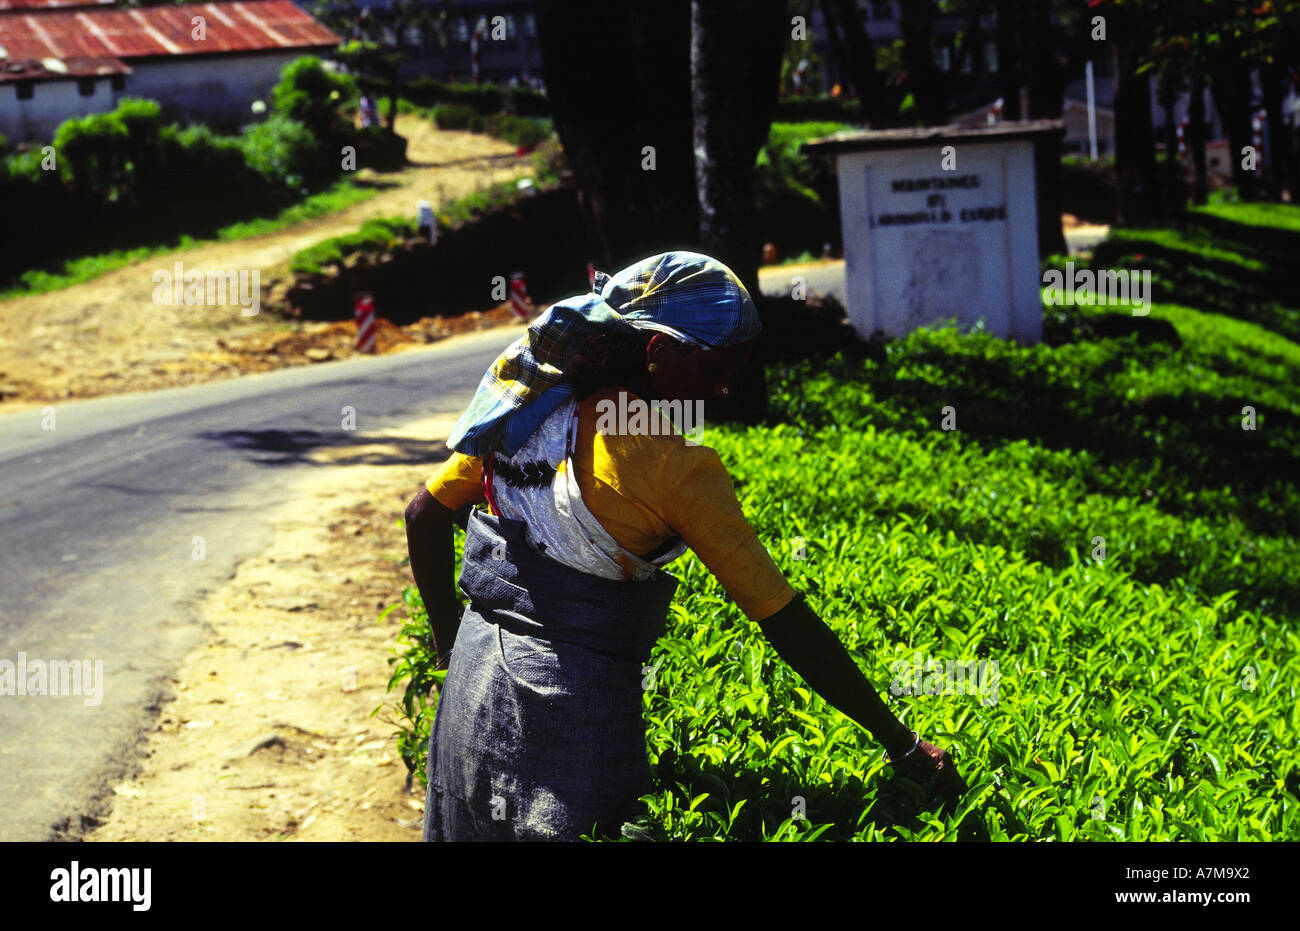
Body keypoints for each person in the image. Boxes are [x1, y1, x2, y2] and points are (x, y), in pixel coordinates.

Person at [404, 251, 965, 841]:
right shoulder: (676, 466)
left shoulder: (526, 410)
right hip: (568, 716)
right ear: (657, 353)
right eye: (714, 369)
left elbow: (423, 516)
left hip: (469, 694)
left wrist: (448, 645)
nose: (723, 390)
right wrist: (900, 743)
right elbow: (783, 618)